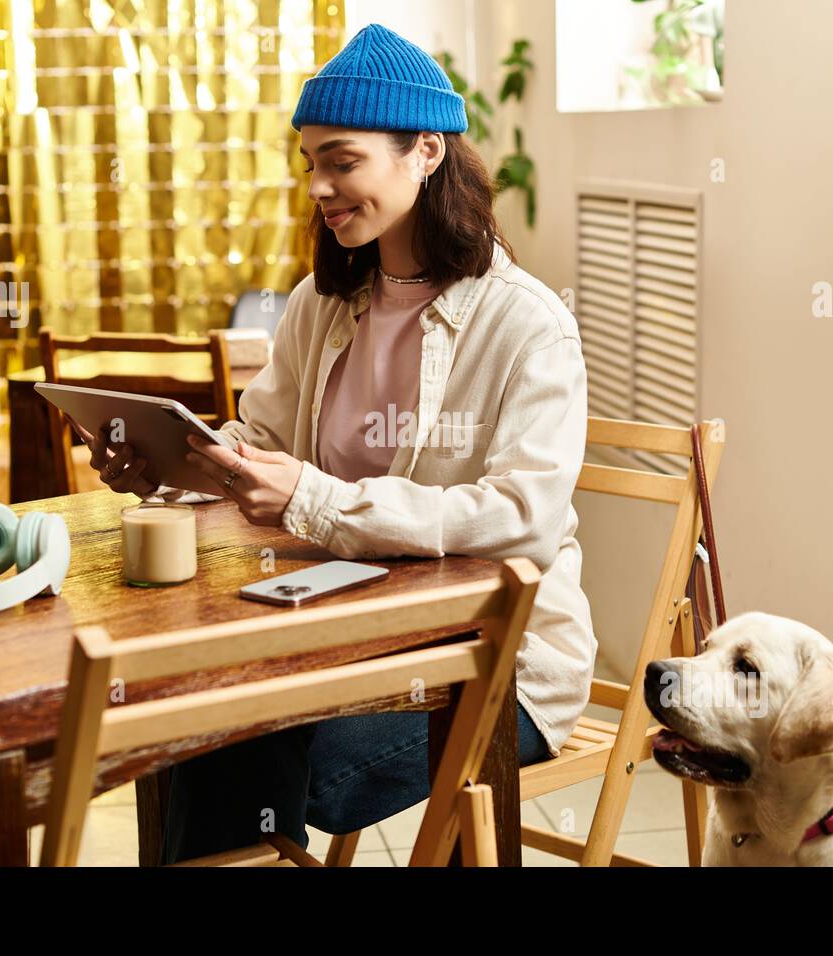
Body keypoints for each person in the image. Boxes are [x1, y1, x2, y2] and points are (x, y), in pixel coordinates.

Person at [67, 22, 596, 863]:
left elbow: (523, 517)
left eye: (341, 161)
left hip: (489, 667)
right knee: (199, 717)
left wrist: (315, 498)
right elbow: (260, 441)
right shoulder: (324, 298)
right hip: (336, 631)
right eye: (311, 162)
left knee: (232, 735)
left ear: (425, 152)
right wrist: (165, 462)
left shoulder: (529, 326)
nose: (319, 185)